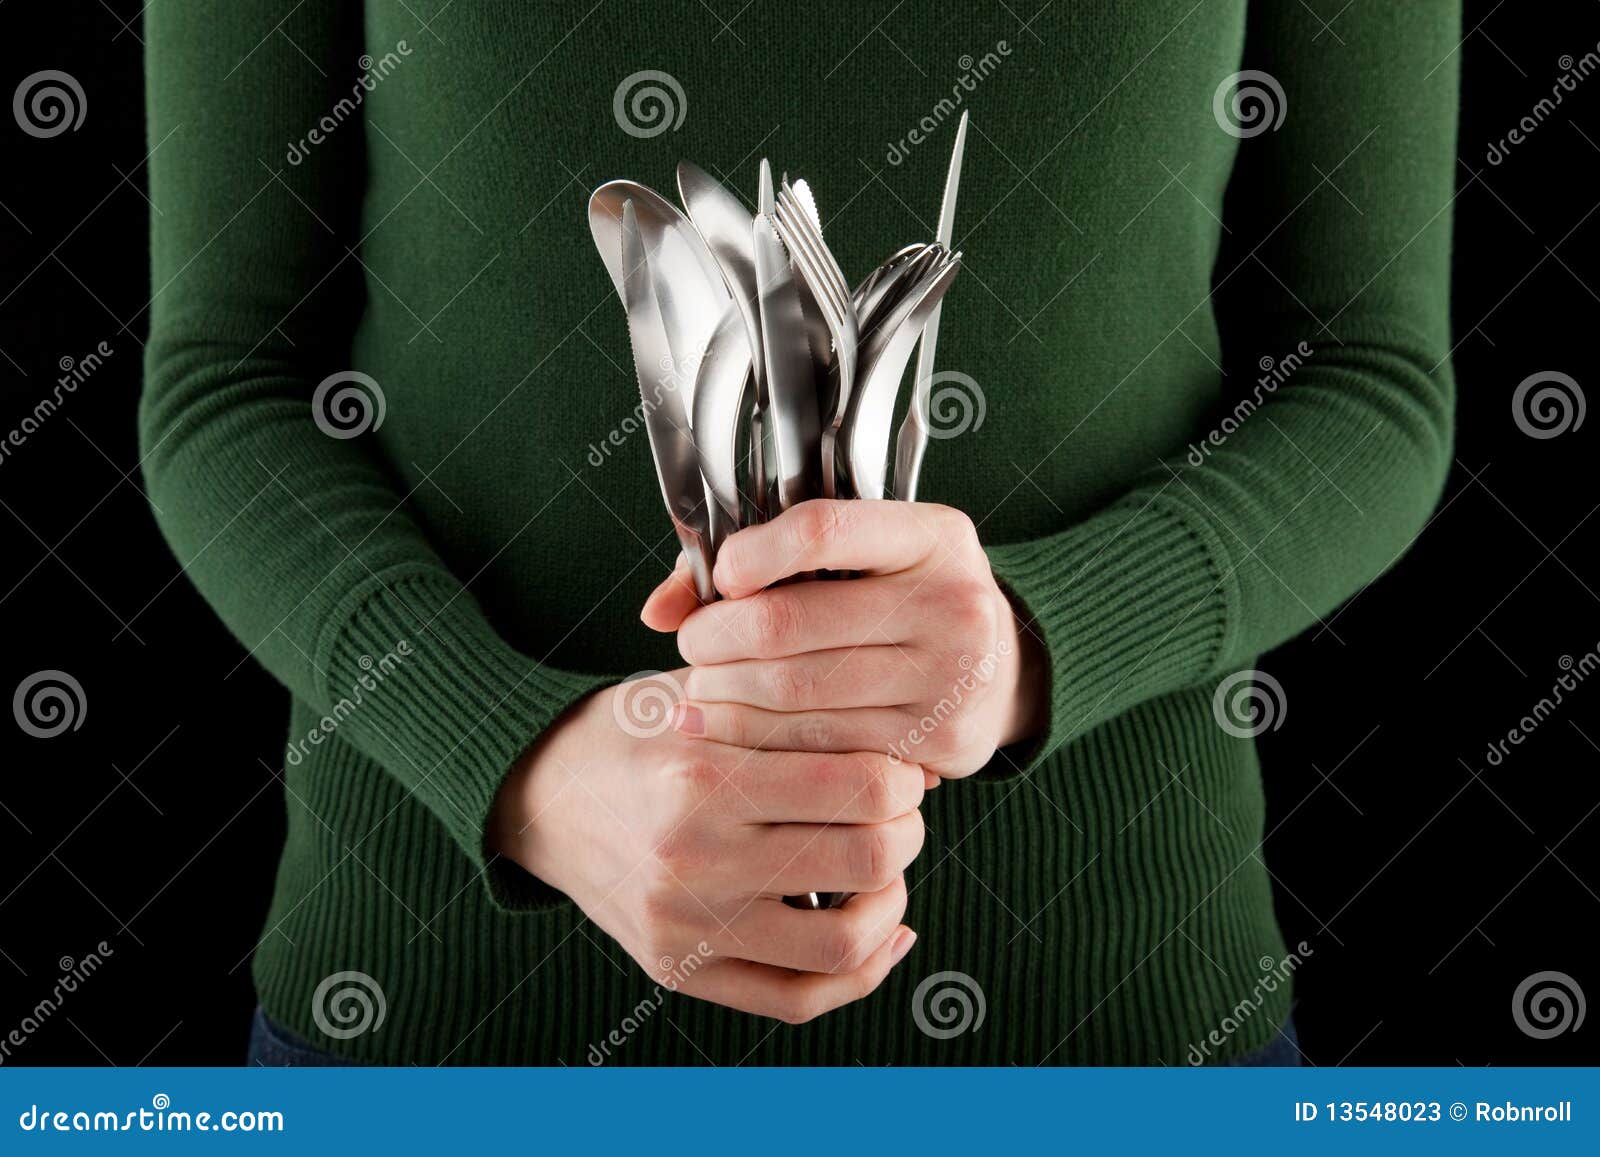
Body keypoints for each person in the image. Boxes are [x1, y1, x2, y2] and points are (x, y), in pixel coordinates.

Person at [142, 1, 1460, 1065]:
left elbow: (1369, 378)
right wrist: (521, 766)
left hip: (1109, 1029)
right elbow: (225, 385)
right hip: (438, 1031)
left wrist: (1032, 642)